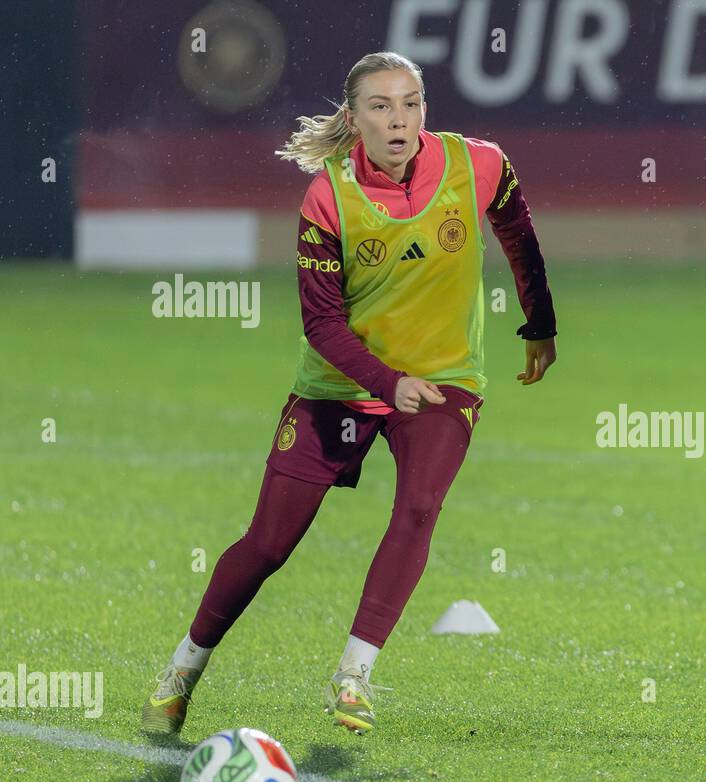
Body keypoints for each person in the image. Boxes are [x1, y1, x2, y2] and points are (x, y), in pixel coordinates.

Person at [142, 51, 558, 736]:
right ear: (353, 117)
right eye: (381, 106)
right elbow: (321, 324)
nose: (399, 120)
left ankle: (354, 676)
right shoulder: (329, 197)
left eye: (411, 103)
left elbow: (519, 233)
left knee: (421, 507)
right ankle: (185, 666)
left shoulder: (477, 164)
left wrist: (539, 324)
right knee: (270, 543)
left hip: (445, 377)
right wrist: (391, 384)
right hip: (341, 385)